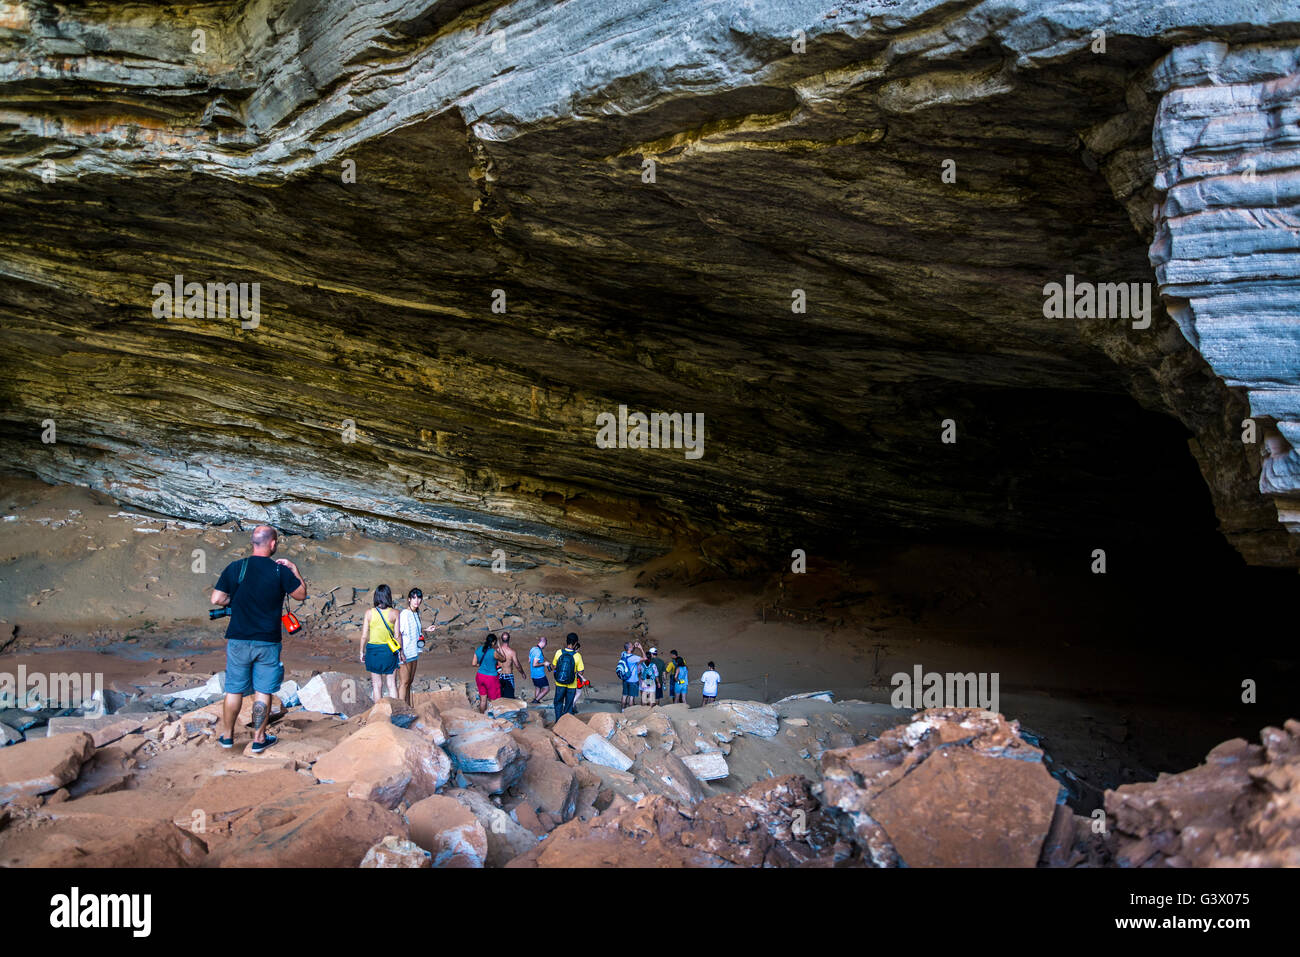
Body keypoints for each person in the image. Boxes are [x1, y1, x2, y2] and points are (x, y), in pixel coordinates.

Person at [210, 525, 306, 754]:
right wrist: (294, 569)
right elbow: (301, 594)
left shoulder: (237, 567)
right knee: (263, 690)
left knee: (233, 690)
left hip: (238, 639)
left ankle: (227, 736)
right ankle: (259, 738)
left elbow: (217, 599)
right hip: (267, 641)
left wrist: (238, 602)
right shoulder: (279, 571)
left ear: (253, 542)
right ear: (272, 544)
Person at [361, 584, 401, 703]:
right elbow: (397, 635)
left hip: (373, 652)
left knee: (376, 685)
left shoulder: (369, 613)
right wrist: (400, 652)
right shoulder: (395, 613)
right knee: (391, 684)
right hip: (389, 651)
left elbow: (364, 636)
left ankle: (378, 713)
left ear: (376, 597)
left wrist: (361, 652)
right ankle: (396, 711)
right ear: (388, 596)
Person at [396, 587, 431, 705]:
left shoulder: (415, 613)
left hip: (414, 652)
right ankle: (401, 709)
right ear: (409, 599)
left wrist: (425, 629)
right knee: (404, 682)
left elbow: (413, 629)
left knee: (409, 682)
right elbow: (399, 633)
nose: (417, 600)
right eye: (414, 598)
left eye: (419, 598)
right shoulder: (405, 614)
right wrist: (400, 652)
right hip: (405, 652)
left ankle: (408, 707)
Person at [551, 633, 585, 720]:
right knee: (568, 705)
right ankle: (566, 723)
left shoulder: (559, 652)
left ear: (567, 641)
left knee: (558, 702)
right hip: (572, 684)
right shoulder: (577, 656)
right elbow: (581, 672)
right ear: (576, 643)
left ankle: (558, 721)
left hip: (559, 683)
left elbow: (554, 666)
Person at [472, 633, 505, 713]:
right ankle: (494, 717)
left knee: (483, 700)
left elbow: (473, 664)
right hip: (491, 678)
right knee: (494, 699)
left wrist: (482, 665)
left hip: (480, 676)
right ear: (493, 642)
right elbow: (503, 659)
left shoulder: (479, 649)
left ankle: (482, 716)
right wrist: (499, 646)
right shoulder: (493, 652)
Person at [497, 631, 525, 699]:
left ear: (501, 639)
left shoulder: (497, 650)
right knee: (509, 697)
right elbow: (517, 665)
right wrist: (522, 673)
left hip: (499, 675)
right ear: (509, 639)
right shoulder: (512, 652)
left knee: (500, 696)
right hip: (508, 676)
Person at [617, 641, 643, 711]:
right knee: (631, 697)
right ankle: (630, 712)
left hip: (625, 679)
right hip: (633, 680)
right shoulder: (634, 658)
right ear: (630, 648)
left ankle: (622, 710)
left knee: (624, 695)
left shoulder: (623, 654)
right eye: (632, 646)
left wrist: (634, 646)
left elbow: (629, 650)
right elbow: (645, 658)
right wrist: (640, 648)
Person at [529, 636, 550, 705]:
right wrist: (544, 663)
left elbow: (529, 660)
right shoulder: (538, 651)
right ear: (544, 643)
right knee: (546, 688)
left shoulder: (533, 649)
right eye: (546, 644)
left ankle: (536, 702)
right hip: (539, 674)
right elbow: (534, 664)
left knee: (538, 687)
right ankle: (536, 700)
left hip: (533, 674)